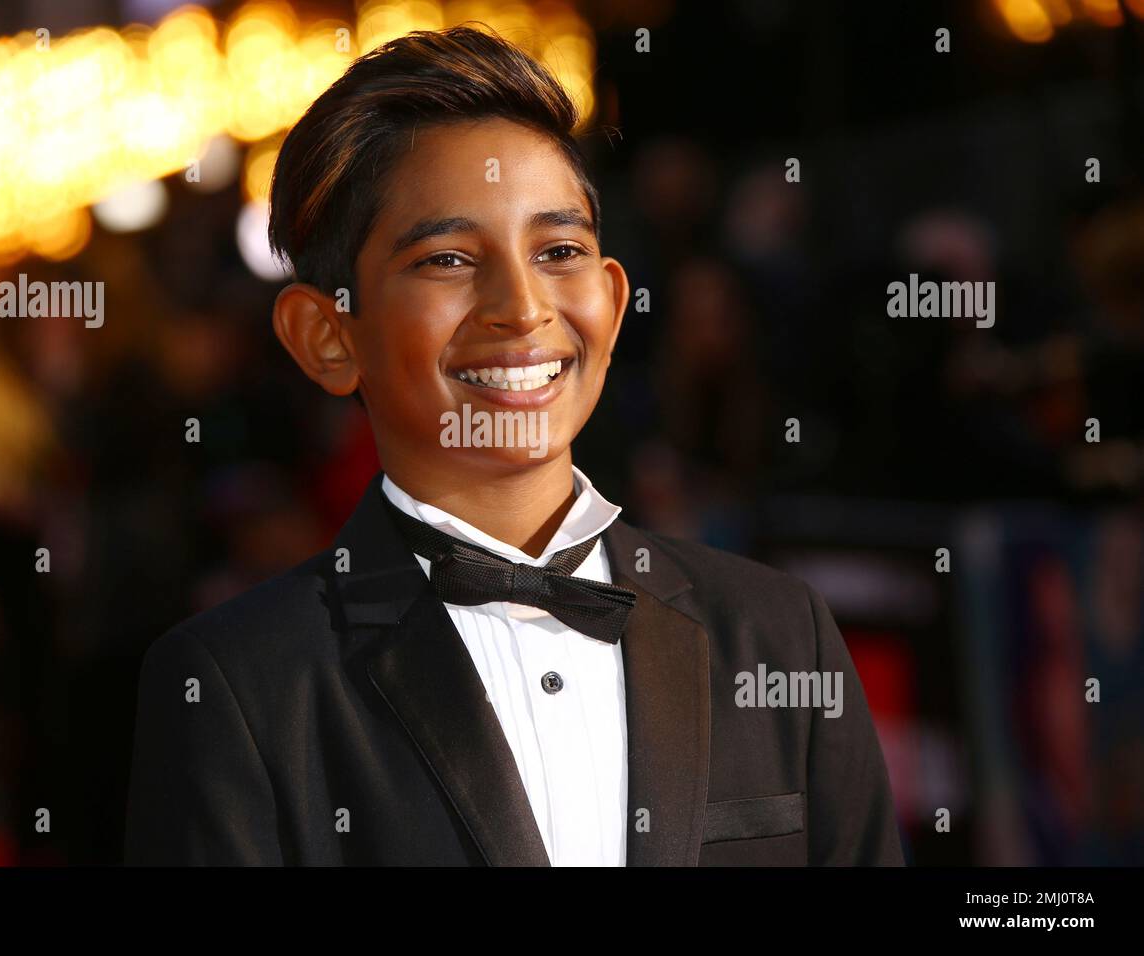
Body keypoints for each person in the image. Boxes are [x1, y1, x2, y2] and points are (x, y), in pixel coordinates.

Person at [124, 24, 903, 866]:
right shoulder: (239, 688)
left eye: (559, 250)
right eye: (449, 259)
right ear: (327, 336)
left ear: (610, 302)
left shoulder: (780, 635)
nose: (522, 307)